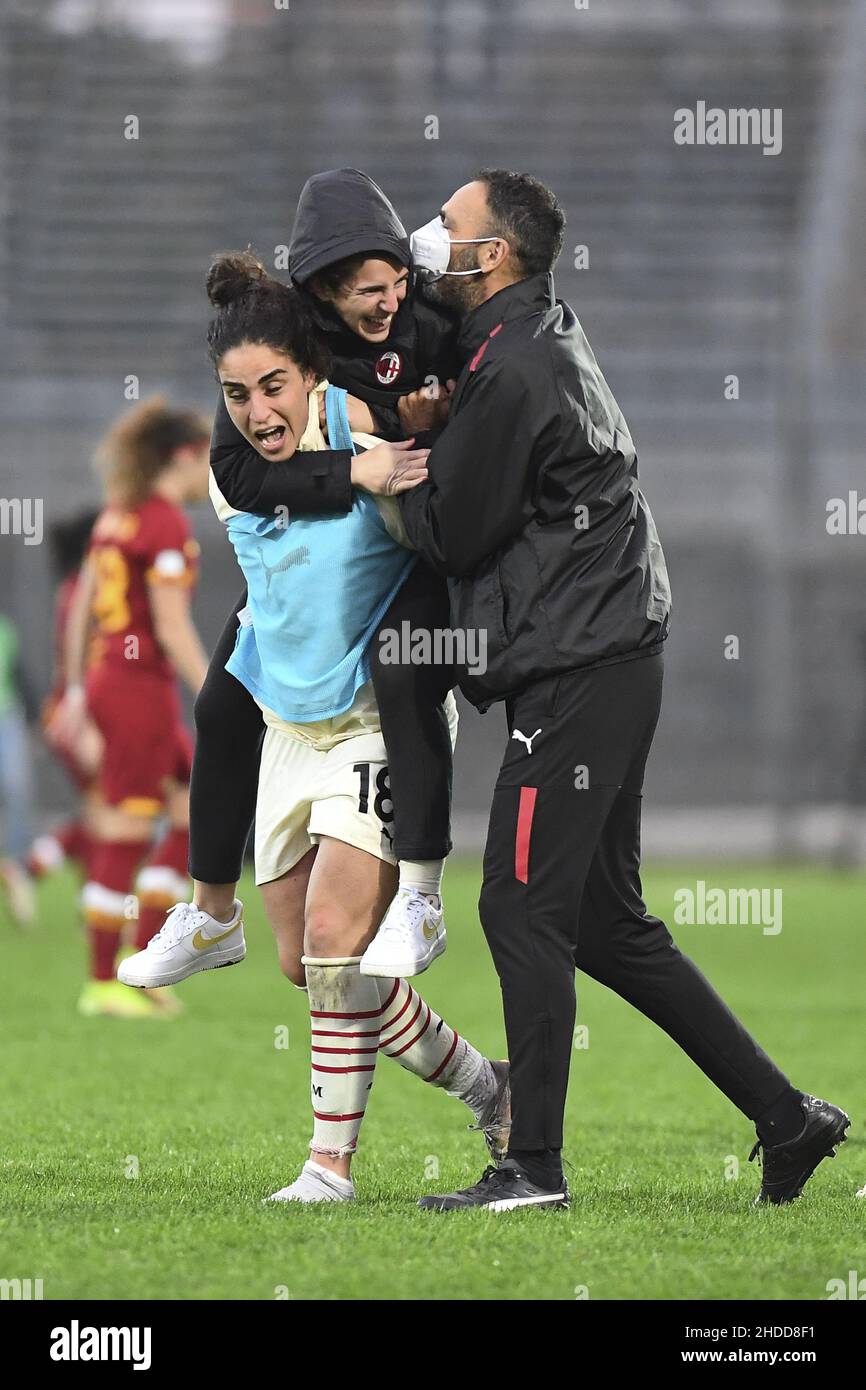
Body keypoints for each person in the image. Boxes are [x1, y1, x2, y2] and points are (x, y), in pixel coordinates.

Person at [396, 169, 849, 1211]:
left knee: (518, 903)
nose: (432, 240)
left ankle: (531, 1169)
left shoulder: (509, 370)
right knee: (603, 922)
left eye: (449, 227)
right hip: (608, 652)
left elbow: (454, 528)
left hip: (576, 664)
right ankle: (787, 1118)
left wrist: (395, 461)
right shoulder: (528, 333)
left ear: (492, 255)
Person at [124, 253, 509, 1201]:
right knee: (309, 967)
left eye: (275, 386)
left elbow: (449, 511)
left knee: (339, 940)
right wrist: (351, 470)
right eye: (237, 394)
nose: (259, 410)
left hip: (376, 723)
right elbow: (273, 482)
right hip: (290, 729)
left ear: (312, 372)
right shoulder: (235, 471)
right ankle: (489, 1083)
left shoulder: (375, 426)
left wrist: (409, 439)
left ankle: (327, 1168)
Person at [141, 169, 463, 982]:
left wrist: (431, 420)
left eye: (392, 282)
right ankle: (212, 913)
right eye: (364, 292)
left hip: (408, 552)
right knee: (219, 705)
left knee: (405, 666)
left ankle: (422, 895)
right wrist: (366, 456)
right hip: (317, 564)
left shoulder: (427, 305)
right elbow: (242, 476)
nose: (384, 306)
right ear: (321, 293)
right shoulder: (279, 340)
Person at [51, 400, 211, 1019]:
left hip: (110, 681)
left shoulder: (117, 518)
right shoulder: (165, 522)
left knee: (188, 806)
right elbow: (170, 628)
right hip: (137, 689)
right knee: (123, 828)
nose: (212, 473)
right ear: (183, 456)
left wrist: (72, 689)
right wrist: (217, 695)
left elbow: (82, 603)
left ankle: (144, 961)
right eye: (206, 459)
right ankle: (103, 982)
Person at [0, 613, 38, 924]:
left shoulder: (6, 630)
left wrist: (35, 720)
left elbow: (20, 676)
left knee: (17, 791)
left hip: (6, 720)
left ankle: (17, 871)